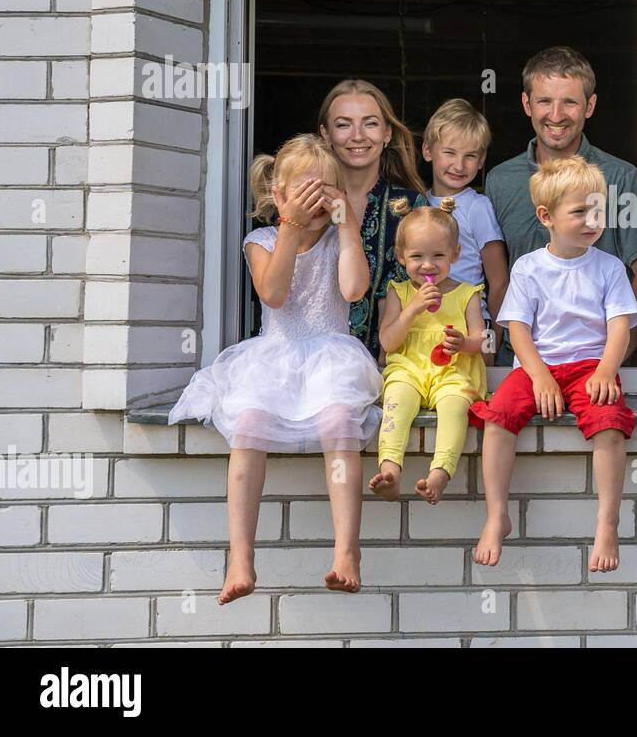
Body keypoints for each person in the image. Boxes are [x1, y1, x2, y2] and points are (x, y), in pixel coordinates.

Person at [170, 134, 381, 604]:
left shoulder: (337, 239)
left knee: (339, 424)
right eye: (305, 192)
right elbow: (275, 294)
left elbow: (352, 290)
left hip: (331, 358)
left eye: (326, 192)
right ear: (279, 196)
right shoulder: (261, 240)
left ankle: (347, 551)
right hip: (275, 357)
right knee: (248, 427)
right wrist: (288, 228)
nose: (315, 203)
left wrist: (348, 226)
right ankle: (240, 558)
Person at [470, 156, 637, 573]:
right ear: (546, 216)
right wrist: (540, 376)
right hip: (537, 367)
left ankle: (607, 521)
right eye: (580, 212)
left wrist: (605, 370)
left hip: (589, 367)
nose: (592, 221)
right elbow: (518, 329)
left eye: (598, 211)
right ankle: (497, 514)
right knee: (499, 417)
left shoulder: (609, 268)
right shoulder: (528, 268)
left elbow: (620, 327)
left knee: (609, 423)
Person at [484, 47, 637, 364]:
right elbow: (491, 278)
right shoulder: (499, 180)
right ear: (527, 104)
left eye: (569, 102)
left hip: (591, 368)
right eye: (544, 101)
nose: (556, 115)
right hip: (516, 366)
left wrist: (612, 366)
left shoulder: (622, 178)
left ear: (590, 106)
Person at [368, 197, 487, 506]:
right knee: (396, 403)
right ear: (401, 256)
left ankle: (440, 473)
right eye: (417, 256)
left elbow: (482, 340)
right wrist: (411, 310)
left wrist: (464, 343)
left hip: (452, 372)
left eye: (438, 255)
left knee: (453, 409)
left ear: (456, 254)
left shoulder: (467, 294)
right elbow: (388, 342)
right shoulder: (400, 291)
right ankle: (390, 472)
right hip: (408, 369)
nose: (427, 265)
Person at [316, 78, 427, 361]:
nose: (357, 136)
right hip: (311, 362)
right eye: (343, 124)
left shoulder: (409, 207)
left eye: (370, 123)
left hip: (389, 368)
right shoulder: (308, 203)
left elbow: (415, 292)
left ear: (387, 133)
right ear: (325, 134)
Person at [419, 98, 508, 364]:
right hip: (424, 324)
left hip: (469, 326)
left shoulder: (477, 207)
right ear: (427, 151)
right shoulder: (417, 204)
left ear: (481, 160)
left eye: (470, 156)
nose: (459, 165)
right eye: (449, 153)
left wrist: (493, 342)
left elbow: (500, 281)